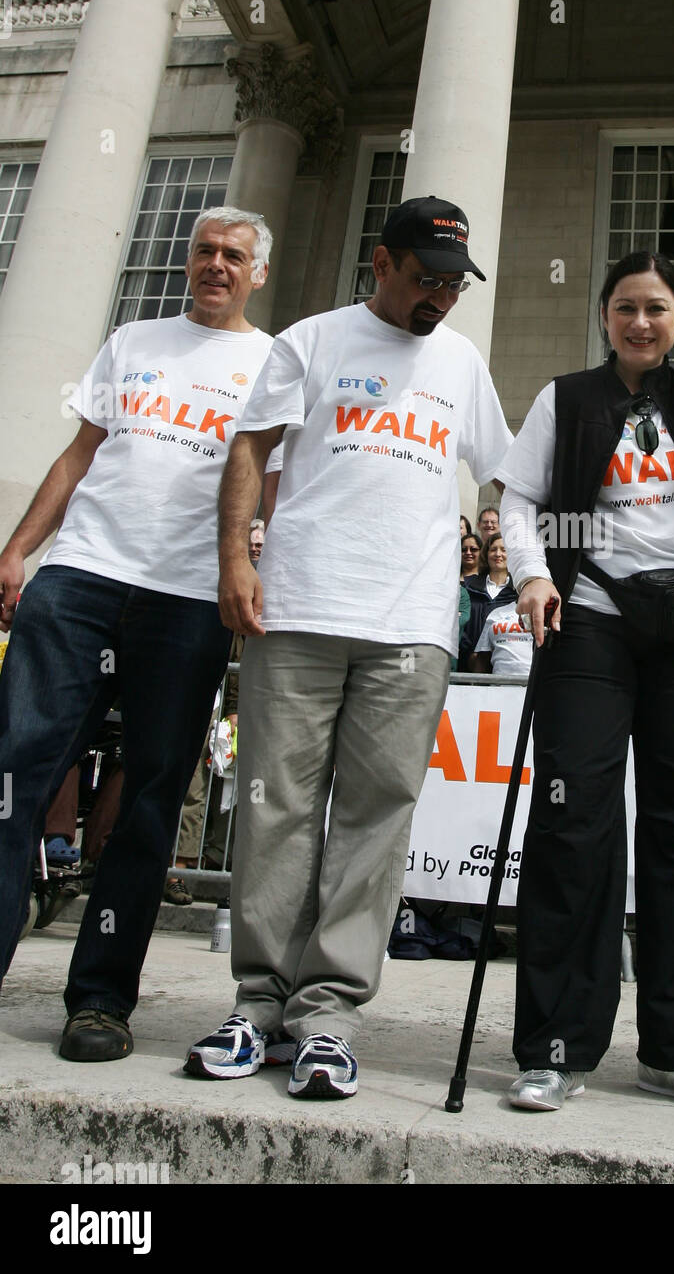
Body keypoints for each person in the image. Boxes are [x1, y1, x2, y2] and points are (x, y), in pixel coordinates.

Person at [185, 195, 511, 1100]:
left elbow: (506, 474)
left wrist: (531, 568)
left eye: (453, 282)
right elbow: (249, 450)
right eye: (425, 278)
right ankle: (258, 1005)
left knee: (376, 820)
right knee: (276, 810)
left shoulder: (460, 360)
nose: (439, 298)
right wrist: (234, 563)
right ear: (380, 262)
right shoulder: (311, 341)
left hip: (411, 627)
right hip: (297, 609)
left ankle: (328, 1015)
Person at [497, 248, 674, 1112]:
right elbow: (517, 497)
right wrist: (533, 575)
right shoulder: (566, 397)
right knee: (573, 821)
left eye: (660, 308)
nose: (643, 322)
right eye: (626, 307)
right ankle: (556, 1044)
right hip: (590, 619)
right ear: (605, 316)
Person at [0, 206, 274, 1061]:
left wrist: (255, 569)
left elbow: (273, 482)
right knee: (14, 775)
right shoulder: (131, 341)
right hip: (79, 578)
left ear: (257, 272)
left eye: (234, 255)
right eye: (204, 252)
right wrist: (17, 550)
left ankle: (100, 1003)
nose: (216, 265)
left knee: (149, 805)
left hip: (186, 600)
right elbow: (79, 455)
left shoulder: (272, 363)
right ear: (187, 262)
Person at [460, 531, 516, 665]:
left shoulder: (518, 592)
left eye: (504, 550)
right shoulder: (469, 586)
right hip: (465, 659)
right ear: (486, 554)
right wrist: (469, 652)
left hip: (503, 662)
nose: (498, 554)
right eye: (493, 549)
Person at [468, 602, 534, 677]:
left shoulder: (546, 612)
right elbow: (482, 656)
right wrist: (476, 686)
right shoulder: (496, 613)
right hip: (499, 684)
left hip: (534, 684)